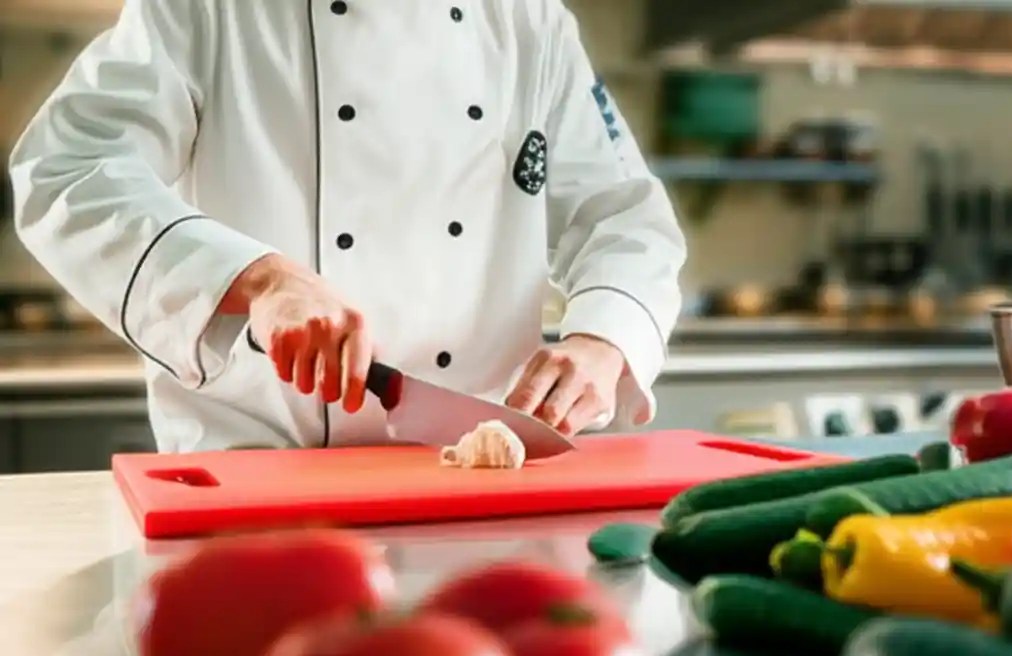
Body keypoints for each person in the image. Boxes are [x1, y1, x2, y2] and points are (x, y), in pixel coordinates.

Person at [9, 0, 687, 452]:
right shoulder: (203, 9)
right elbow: (65, 170)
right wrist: (259, 280)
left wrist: (607, 340)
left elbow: (622, 213)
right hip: (256, 479)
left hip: (482, 471)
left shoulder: (528, 21)